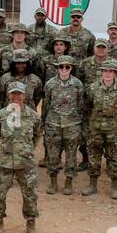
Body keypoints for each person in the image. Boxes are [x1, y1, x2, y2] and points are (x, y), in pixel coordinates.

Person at [0, 82, 43, 233]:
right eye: (13, 94)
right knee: (0, 193)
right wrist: (5, 150)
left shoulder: (33, 116)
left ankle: (31, 222)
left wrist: (25, 150)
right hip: (4, 162)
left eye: (19, 94)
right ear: (9, 96)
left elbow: (37, 135)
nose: (16, 97)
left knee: (30, 194)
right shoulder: (0, 115)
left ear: (24, 96)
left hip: (25, 163)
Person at [84, 59, 117, 199]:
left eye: (110, 71)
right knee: (93, 156)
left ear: (115, 73)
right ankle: (92, 185)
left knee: (114, 157)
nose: (107, 74)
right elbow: (87, 106)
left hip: (113, 130)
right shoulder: (92, 88)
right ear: (101, 72)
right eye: (105, 71)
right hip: (95, 129)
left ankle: (115, 187)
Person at [41, 55, 84, 195]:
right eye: (61, 66)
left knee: (71, 155)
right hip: (53, 124)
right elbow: (46, 104)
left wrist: (79, 124)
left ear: (71, 68)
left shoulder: (78, 84)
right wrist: (44, 122)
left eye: (67, 67)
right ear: (57, 68)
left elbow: (81, 105)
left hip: (72, 125)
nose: (64, 69)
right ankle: (53, 182)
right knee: (53, 155)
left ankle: (68, 182)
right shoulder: (50, 84)